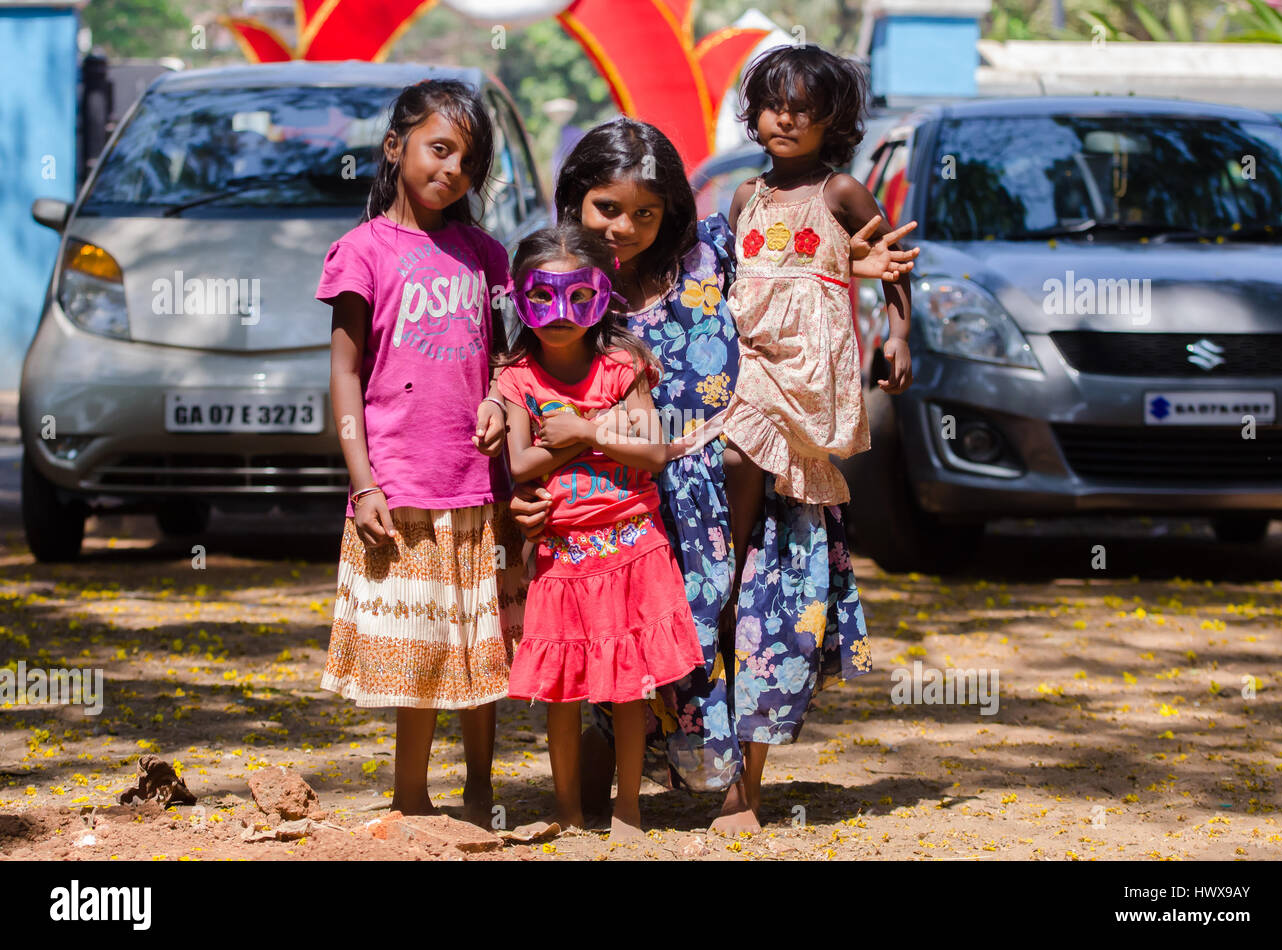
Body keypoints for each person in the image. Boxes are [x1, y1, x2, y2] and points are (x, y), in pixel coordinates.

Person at [512, 115, 916, 833]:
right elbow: (522, 384)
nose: (624, 227)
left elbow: (786, 275)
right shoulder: (563, 288)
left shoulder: (710, 253)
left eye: (645, 212)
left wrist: (860, 275)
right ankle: (611, 790)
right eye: (607, 208)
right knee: (618, 633)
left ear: (671, 210)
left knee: (749, 622)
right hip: (618, 495)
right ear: (574, 198)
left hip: (738, 467)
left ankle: (743, 793)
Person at [316, 79, 525, 826]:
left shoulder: (486, 256)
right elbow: (344, 373)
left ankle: (479, 791)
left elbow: (508, 360)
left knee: (480, 647)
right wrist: (362, 482)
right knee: (420, 650)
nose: (452, 169)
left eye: (468, 160)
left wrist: (500, 399)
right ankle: (410, 798)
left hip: (476, 487)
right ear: (396, 146)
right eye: (440, 148)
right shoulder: (361, 253)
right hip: (401, 487)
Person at [497, 223, 705, 840]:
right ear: (518, 297)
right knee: (562, 692)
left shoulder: (624, 365)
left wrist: (581, 433)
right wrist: (597, 430)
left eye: (579, 298)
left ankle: (629, 812)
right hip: (561, 556)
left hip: (634, 547)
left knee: (630, 686)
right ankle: (566, 813)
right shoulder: (516, 378)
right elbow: (519, 463)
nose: (561, 315)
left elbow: (653, 453)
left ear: (601, 296)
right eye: (542, 297)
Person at [720, 43, 918, 609]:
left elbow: (895, 262)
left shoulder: (841, 192)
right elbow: (734, 276)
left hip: (809, 369)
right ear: (755, 113)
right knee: (737, 457)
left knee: (786, 487)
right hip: (751, 357)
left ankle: (759, 589)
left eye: (804, 109)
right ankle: (728, 579)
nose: (786, 119)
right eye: (774, 105)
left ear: (832, 121)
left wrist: (898, 338)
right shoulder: (745, 198)